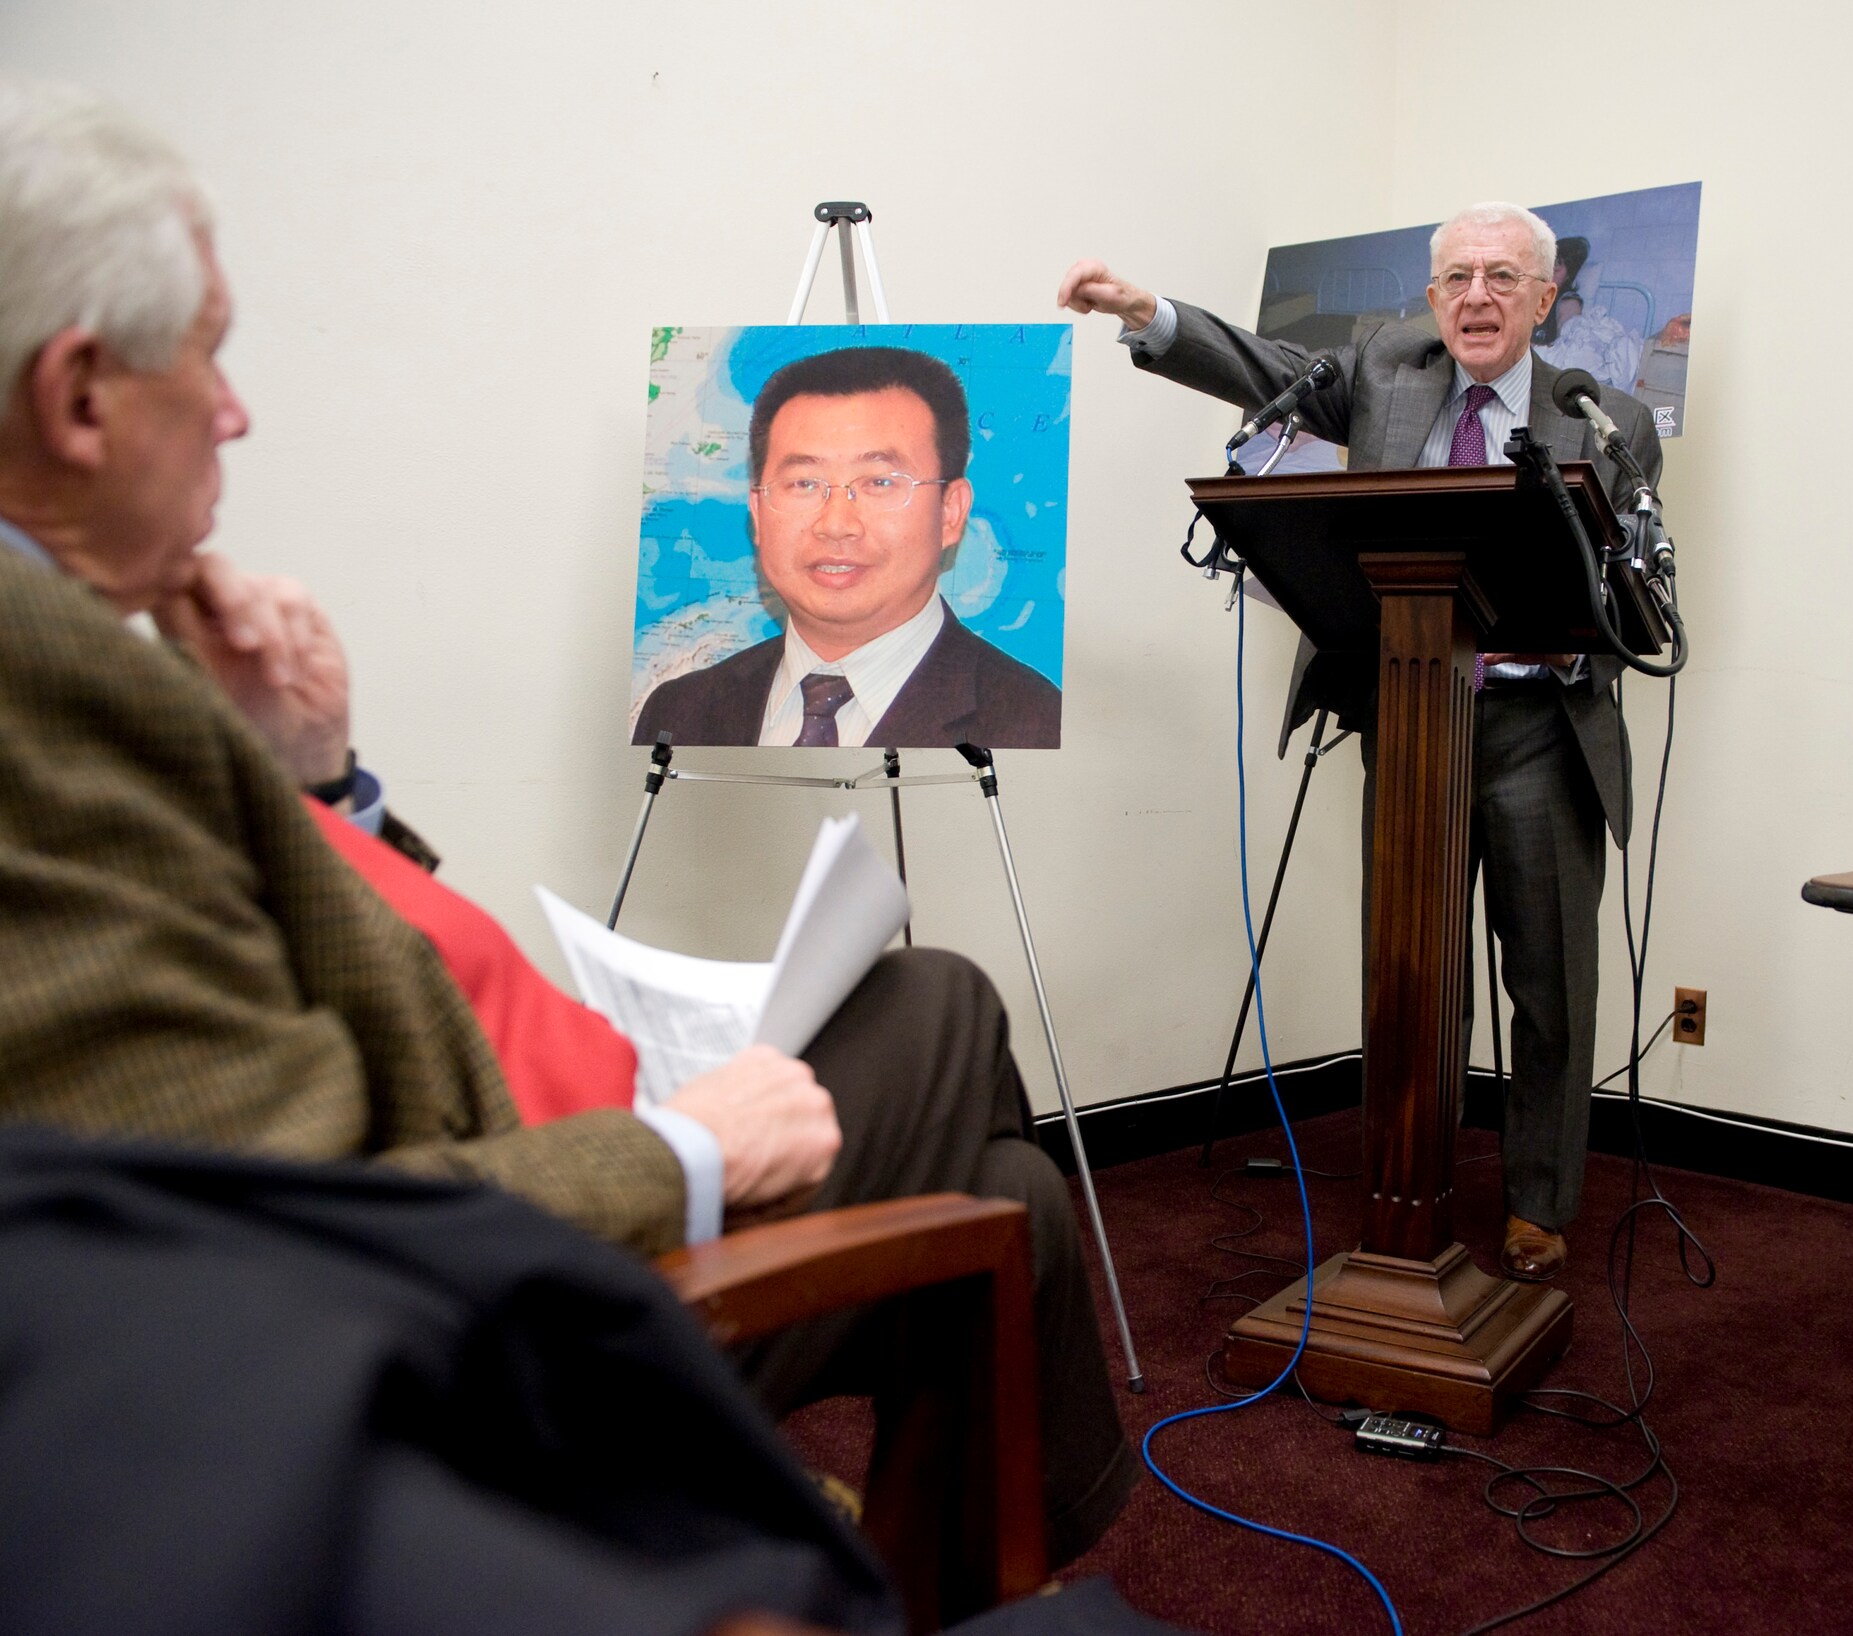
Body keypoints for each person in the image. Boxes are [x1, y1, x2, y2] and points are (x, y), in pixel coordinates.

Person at [0, 80, 1132, 1565]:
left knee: (1009, 1187)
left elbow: (272, 966)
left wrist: (320, 780)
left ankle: (939, 1566)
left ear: (952, 508)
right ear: (80, 397)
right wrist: (681, 1151)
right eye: (208, 353)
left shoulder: (91, 649)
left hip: (501, 1139)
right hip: (475, 1317)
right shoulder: (47, 685)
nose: (237, 409)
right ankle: (906, 1546)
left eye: (880, 479)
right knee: (950, 1020)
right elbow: (276, 1227)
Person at [1058, 201, 1665, 1281]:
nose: (1475, 297)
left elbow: (1635, 590)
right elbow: (1267, 367)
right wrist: (1150, 315)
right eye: (1456, 278)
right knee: (1410, 977)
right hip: (1413, 713)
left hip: (1540, 728)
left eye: (1501, 277)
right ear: (1430, 297)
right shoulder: (1386, 370)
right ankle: (1408, 1185)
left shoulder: (1603, 413)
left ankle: (1539, 1203)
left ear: (1543, 298)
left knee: (1551, 986)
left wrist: (1581, 639)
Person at [632, 348, 1063, 749]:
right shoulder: (679, 712)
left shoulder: (1036, 726)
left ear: (950, 512)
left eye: (880, 482)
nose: (836, 525)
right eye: (804, 483)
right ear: (758, 513)